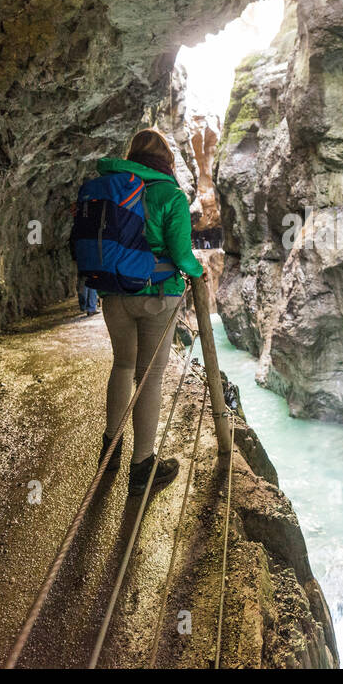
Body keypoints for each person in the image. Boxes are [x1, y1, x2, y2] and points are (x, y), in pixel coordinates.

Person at [95, 127, 204, 493]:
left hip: (113, 293)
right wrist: (197, 273)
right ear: (167, 160)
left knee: (122, 365)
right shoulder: (168, 194)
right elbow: (181, 254)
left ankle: (109, 450)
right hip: (157, 295)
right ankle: (142, 465)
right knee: (150, 377)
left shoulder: (110, 189)